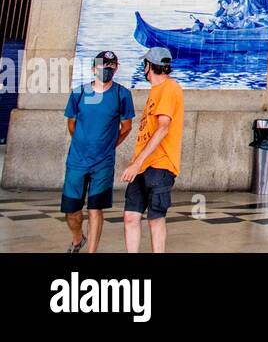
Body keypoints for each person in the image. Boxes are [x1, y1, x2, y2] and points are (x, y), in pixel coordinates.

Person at [61, 51, 135, 253]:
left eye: (111, 66)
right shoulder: (79, 93)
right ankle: (78, 238)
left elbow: (126, 126)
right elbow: (71, 123)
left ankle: (91, 251)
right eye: (103, 65)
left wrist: (109, 145)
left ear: (116, 68)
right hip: (77, 161)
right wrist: (83, 143)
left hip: (103, 163)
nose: (107, 69)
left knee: (95, 209)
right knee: (71, 210)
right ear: (94, 68)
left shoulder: (122, 94)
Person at [121, 47, 184, 254]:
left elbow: (163, 127)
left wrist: (137, 162)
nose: (143, 68)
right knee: (131, 216)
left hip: (160, 164)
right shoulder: (155, 91)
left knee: (155, 218)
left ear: (149, 66)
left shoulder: (170, 87)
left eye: (144, 64)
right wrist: (138, 162)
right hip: (142, 164)